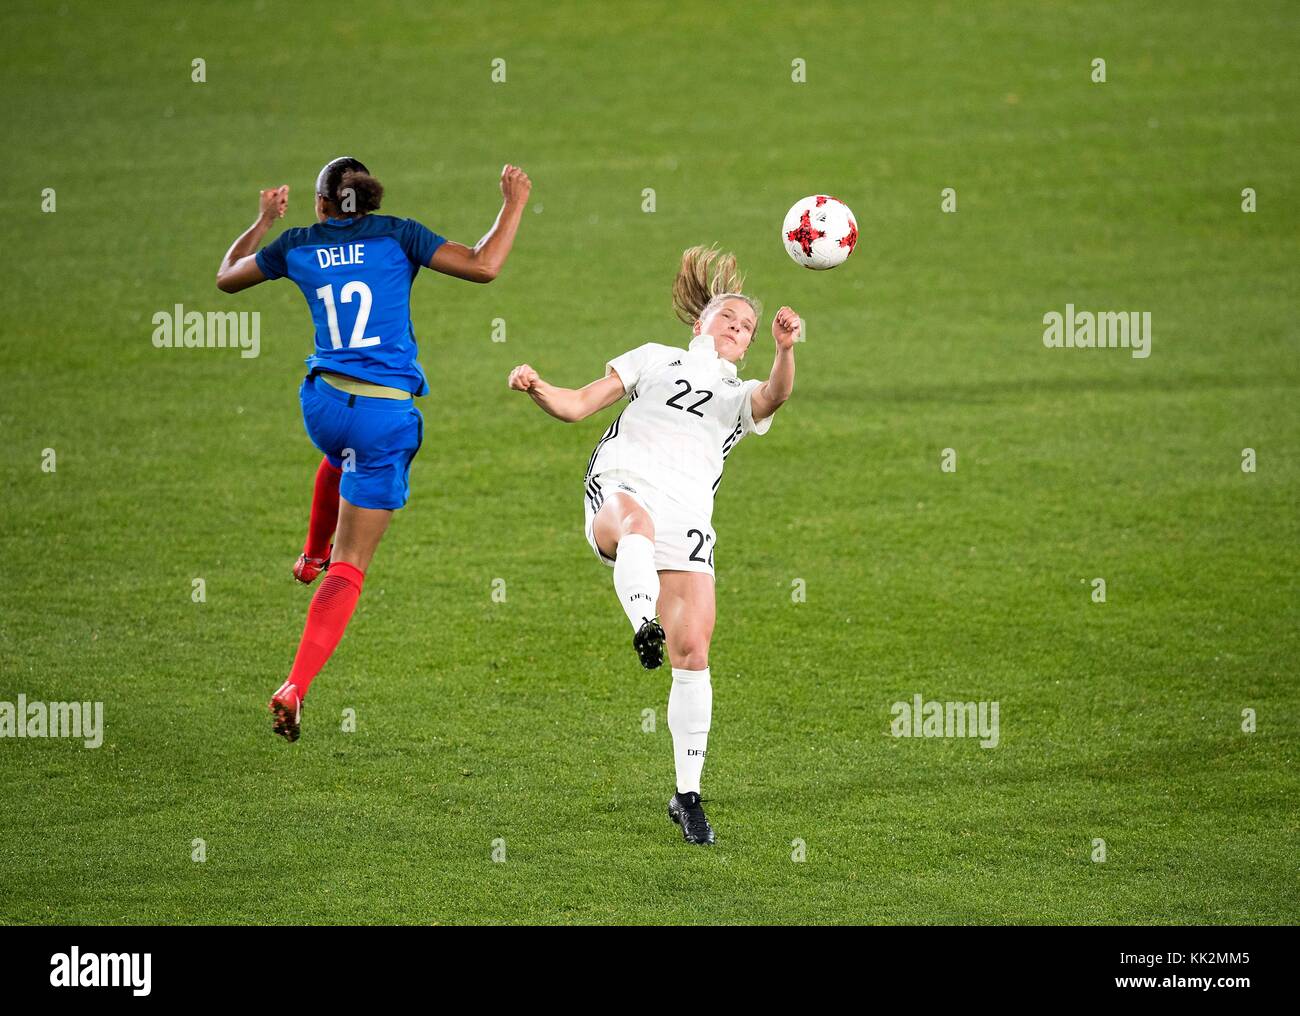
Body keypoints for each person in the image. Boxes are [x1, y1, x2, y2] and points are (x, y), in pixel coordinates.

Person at [217, 156, 532, 741]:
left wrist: (262, 220)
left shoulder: (297, 244)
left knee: (340, 456)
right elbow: (485, 265)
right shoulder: (398, 235)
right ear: (370, 201)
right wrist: (512, 202)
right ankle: (295, 684)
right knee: (352, 565)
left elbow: (227, 275)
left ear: (321, 205)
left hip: (324, 405)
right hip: (384, 415)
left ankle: (310, 555)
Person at [507, 245, 799, 844]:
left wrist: (786, 349)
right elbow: (578, 404)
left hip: (689, 516)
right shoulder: (655, 358)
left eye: (747, 329)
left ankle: (687, 794)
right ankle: (643, 624)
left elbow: (776, 395)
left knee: (694, 650)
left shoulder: (737, 397)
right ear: (701, 324)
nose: (739, 330)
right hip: (621, 486)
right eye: (730, 318)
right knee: (634, 526)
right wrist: (537, 386)